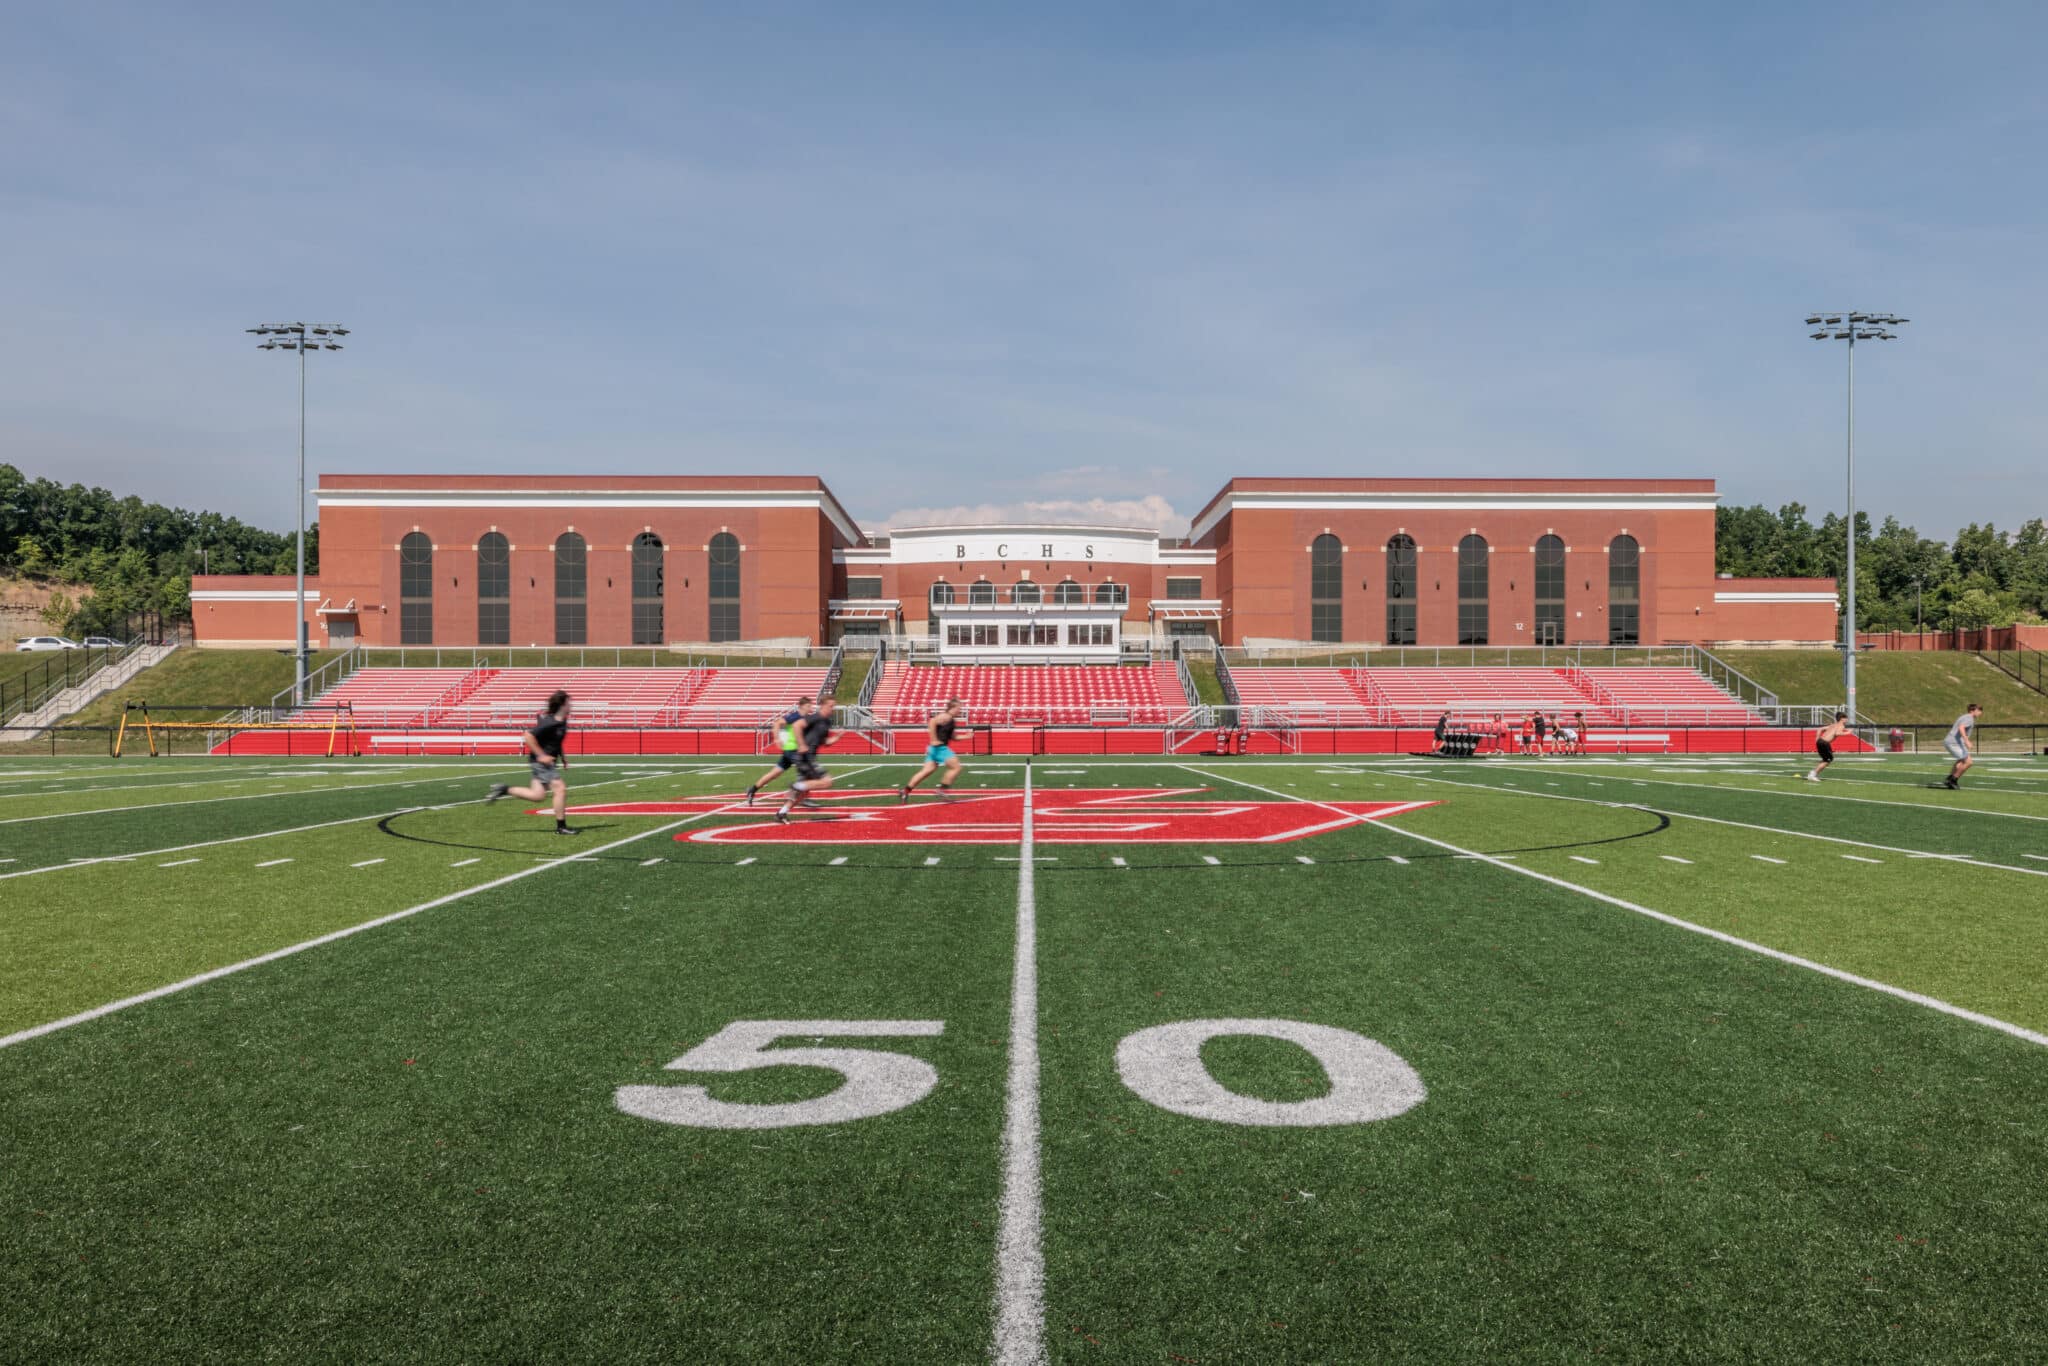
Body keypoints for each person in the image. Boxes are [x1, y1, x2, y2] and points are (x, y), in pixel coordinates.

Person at [485, 690, 577, 835]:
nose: (572, 704)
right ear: (562, 704)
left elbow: (556, 741)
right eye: (569, 702)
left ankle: (504, 789)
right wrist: (541, 755)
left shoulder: (562, 720)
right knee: (560, 789)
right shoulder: (550, 722)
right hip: (541, 762)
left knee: (538, 796)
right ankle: (561, 827)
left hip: (545, 762)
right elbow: (528, 736)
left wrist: (563, 757)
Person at [775, 695, 839, 823]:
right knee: (827, 782)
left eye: (834, 706)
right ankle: (795, 786)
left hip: (809, 757)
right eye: (830, 706)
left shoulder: (826, 722)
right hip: (805, 757)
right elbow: (796, 726)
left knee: (804, 792)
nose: (833, 709)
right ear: (822, 705)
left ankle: (782, 813)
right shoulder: (814, 717)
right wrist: (801, 744)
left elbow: (824, 741)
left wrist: (836, 738)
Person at [746, 696, 815, 805]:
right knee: (806, 771)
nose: (810, 708)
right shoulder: (794, 716)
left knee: (775, 773)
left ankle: (752, 790)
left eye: (810, 706)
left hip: (792, 750)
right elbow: (777, 723)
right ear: (801, 706)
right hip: (792, 750)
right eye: (808, 706)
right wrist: (777, 738)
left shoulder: (807, 718)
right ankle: (802, 798)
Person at [901, 698, 965, 801]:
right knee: (956, 767)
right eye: (959, 708)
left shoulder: (951, 720)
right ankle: (942, 790)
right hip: (939, 748)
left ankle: (905, 791)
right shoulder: (946, 716)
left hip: (934, 749)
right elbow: (932, 721)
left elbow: (953, 737)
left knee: (926, 771)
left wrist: (967, 736)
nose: (960, 711)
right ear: (952, 708)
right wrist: (934, 740)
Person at [1943, 703, 1983, 789]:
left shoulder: (1965, 716)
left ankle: (1950, 778)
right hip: (1954, 742)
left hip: (1952, 741)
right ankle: (1953, 779)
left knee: (1961, 761)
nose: (1980, 712)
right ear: (1972, 710)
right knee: (1968, 762)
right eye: (1979, 710)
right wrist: (1967, 741)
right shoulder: (1969, 718)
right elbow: (1961, 727)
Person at [1807, 712, 1849, 782]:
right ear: (1842, 719)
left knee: (1825, 759)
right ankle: (1812, 775)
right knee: (1828, 760)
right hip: (1824, 743)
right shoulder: (1841, 725)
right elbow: (1837, 733)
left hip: (1820, 741)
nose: (1847, 720)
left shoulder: (1833, 725)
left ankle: (1813, 773)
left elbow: (1820, 729)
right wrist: (1847, 733)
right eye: (1846, 718)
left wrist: (1817, 739)